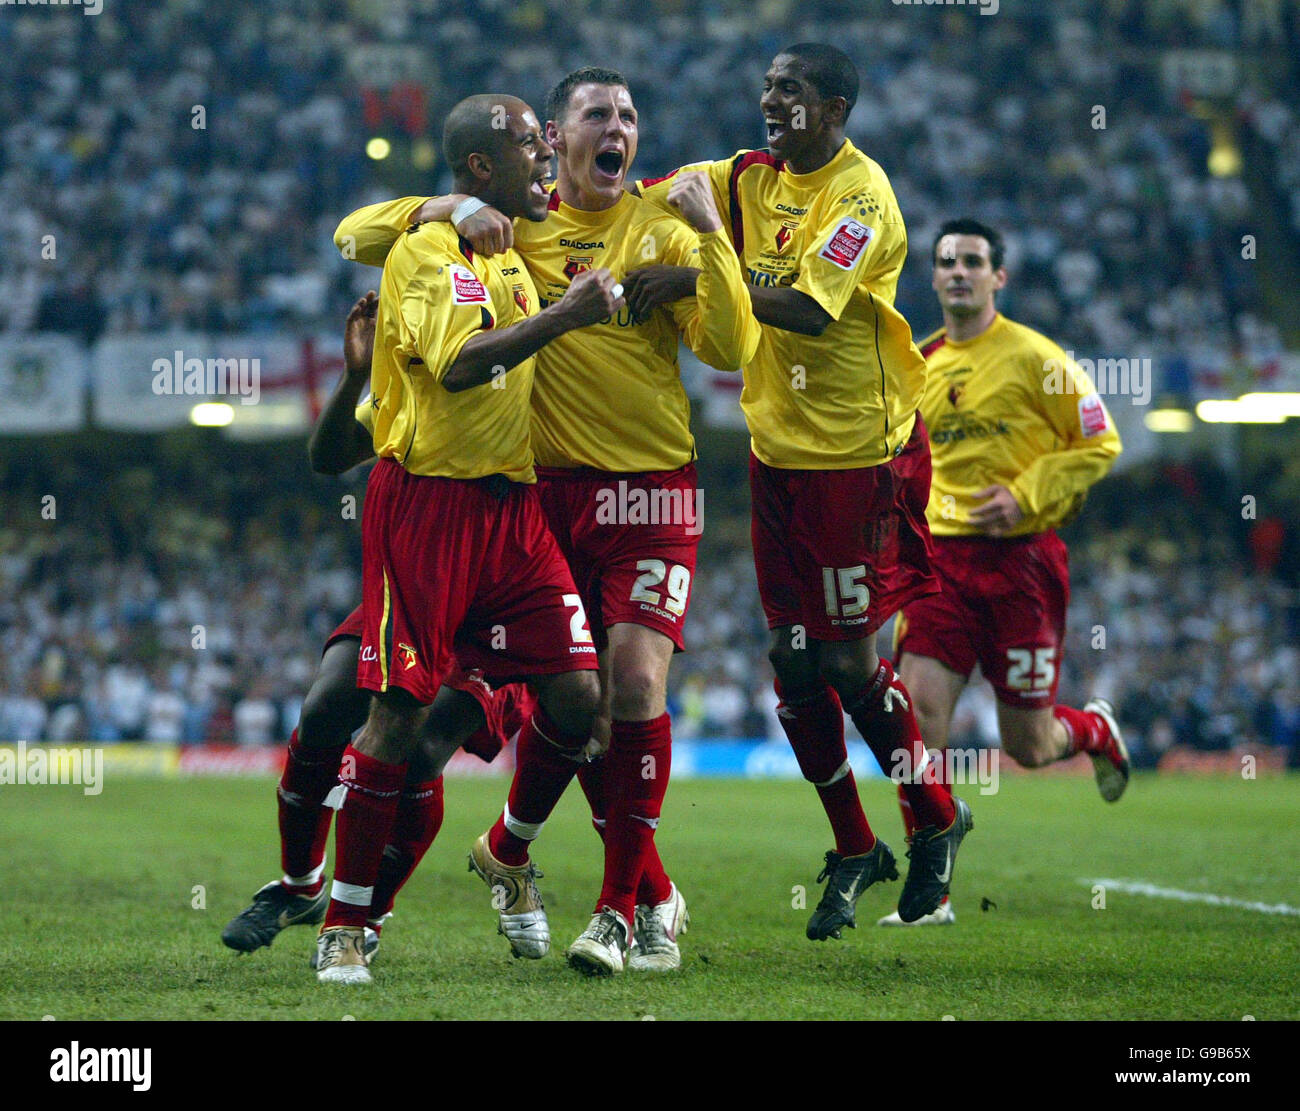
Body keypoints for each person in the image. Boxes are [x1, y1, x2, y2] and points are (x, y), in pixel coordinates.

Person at [334, 66, 760, 976]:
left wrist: (708, 246)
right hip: (535, 502)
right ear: (554, 144)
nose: (620, 128)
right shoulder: (512, 223)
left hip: (650, 493)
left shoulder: (658, 222)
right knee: (457, 718)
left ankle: (607, 900)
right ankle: (389, 903)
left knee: (629, 692)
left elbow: (730, 346)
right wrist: (446, 206)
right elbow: (352, 233)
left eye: (630, 115)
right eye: (596, 115)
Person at [624, 43, 971, 937]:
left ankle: (934, 813)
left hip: (859, 456)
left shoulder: (861, 196)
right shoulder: (744, 175)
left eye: (793, 90)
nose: (772, 99)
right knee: (789, 655)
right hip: (778, 453)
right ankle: (856, 843)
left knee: (849, 660)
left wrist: (691, 277)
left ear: (837, 107)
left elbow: (813, 309)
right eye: (770, 85)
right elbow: (641, 191)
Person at [315, 94, 621, 984]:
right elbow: (456, 365)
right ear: (482, 166)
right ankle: (342, 922)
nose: (550, 151)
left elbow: (353, 227)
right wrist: (563, 313)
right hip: (430, 508)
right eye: (534, 142)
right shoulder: (431, 253)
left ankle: (509, 849)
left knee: (576, 697)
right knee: (397, 716)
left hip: (515, 513)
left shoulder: (507, 243)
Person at [220, 293, 534, 967]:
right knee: (327, 702)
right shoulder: (416, 383)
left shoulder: (535, 374)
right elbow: (328, 458)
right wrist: (354, 376)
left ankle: (365, 912)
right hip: (422, 571)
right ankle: (300, 885)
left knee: (419, 747)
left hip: (504, 591)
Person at [877, 218, 1127, 926]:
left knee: (1029, 742)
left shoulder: (1036, 358)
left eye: (974, 261)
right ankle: (931, 891)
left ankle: (1093, 732)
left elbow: (1098, 442)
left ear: (999, 277)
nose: (959, 271)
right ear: (932, 276)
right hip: (941, 564)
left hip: (1022, 562)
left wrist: (1024, 493)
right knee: (917, 717)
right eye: (947, 261)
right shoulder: (917, 364)